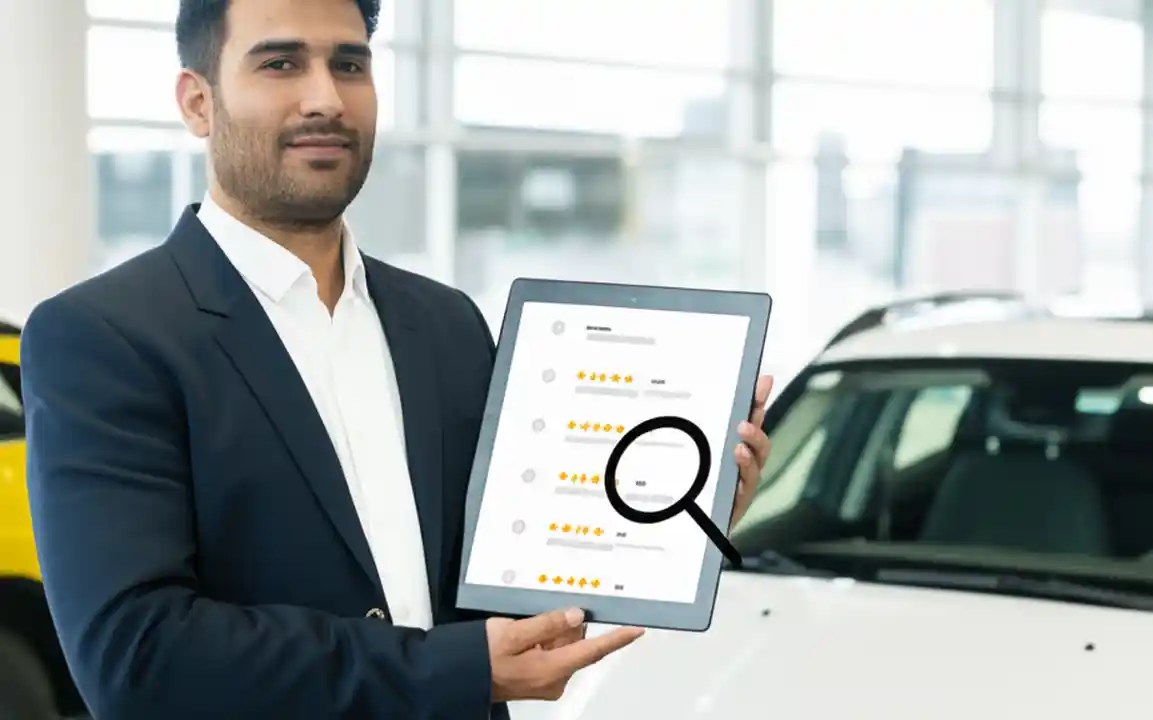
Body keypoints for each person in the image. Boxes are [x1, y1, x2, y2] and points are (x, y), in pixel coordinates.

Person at [20, 0, 775, 718]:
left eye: (350, 65)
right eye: (280, 65)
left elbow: (498, 584)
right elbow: (138, 659)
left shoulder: (445, 324)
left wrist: (671, 523)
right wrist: (455, 669)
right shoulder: (103, 339)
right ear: (197, 102)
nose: (326, 98)